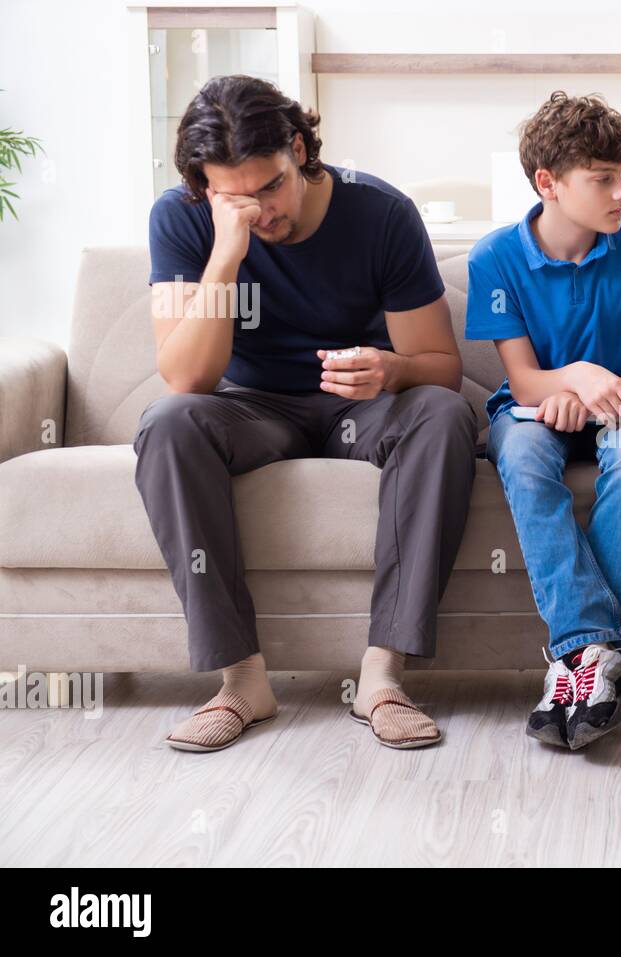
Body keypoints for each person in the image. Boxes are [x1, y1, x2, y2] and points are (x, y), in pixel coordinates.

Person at [135, 75, 478, 752]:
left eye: (272, 186)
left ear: (299, 149)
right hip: (253, 409)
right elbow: (187, 377)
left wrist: (392, 370)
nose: (261, 210)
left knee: (442, 413)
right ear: (204, 188)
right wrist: (226, 255)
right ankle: (242, 682)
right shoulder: (179, 218)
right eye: (236, 198)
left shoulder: (381, 212)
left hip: (364, 405)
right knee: (166, 422)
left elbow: (442, 367)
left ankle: (382, 676)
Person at [465, 92, 621, 750]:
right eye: (603, 179)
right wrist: (572, 380)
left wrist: (590, 386)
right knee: (526, 456)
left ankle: (576, 667)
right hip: (535, 410)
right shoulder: (495, 258)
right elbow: (526, 380)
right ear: (548, 184)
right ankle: (601, 654)